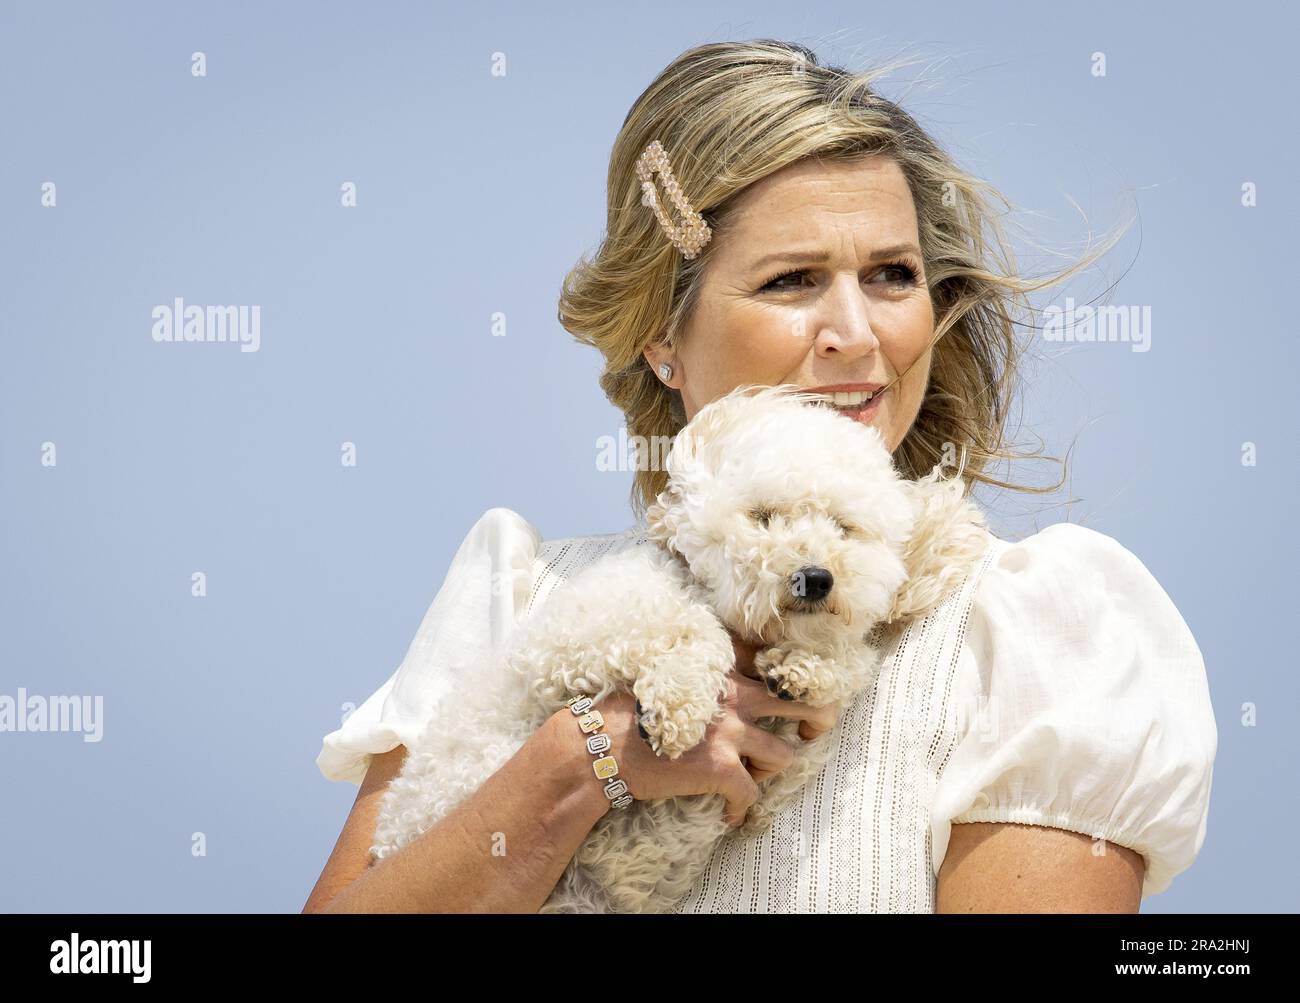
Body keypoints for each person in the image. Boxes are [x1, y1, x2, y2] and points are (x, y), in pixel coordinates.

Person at [303, 39, 1216, 914]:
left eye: (893, 274)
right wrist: (582, 764)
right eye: (791, 281)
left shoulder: (1031, 630)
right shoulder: (517, 595)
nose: (857, 334)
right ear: (662, 336)